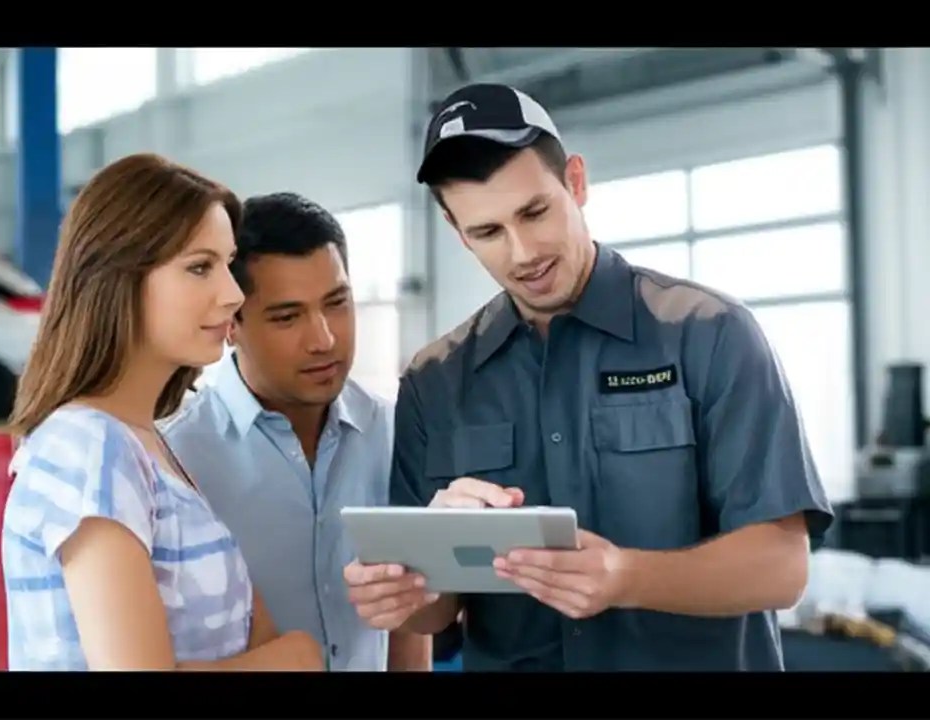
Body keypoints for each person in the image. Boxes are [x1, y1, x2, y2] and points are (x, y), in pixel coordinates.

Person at [341, 83, 835, 671]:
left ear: (575, 182)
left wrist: (627, 577)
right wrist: (400, 592)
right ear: (455, 229)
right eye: (487, 232)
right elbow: (434, 614)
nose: (522, 252)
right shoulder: (435, 381)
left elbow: (782, 567)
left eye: (534, 212)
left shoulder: (710, 334)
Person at [0, 153, 323, 671]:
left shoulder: (148, 446)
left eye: (228, 264)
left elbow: (260, 638)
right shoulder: (91, 448)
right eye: (199, 268)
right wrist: (298, 657)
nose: (233, 294)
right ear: (116, 277)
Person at [161, 192, 432, 672]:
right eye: (288, 317)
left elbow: (408, 622)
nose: (324, 339)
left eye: (337, 304)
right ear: (231, 323)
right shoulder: (176, 458)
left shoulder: (394, 434)